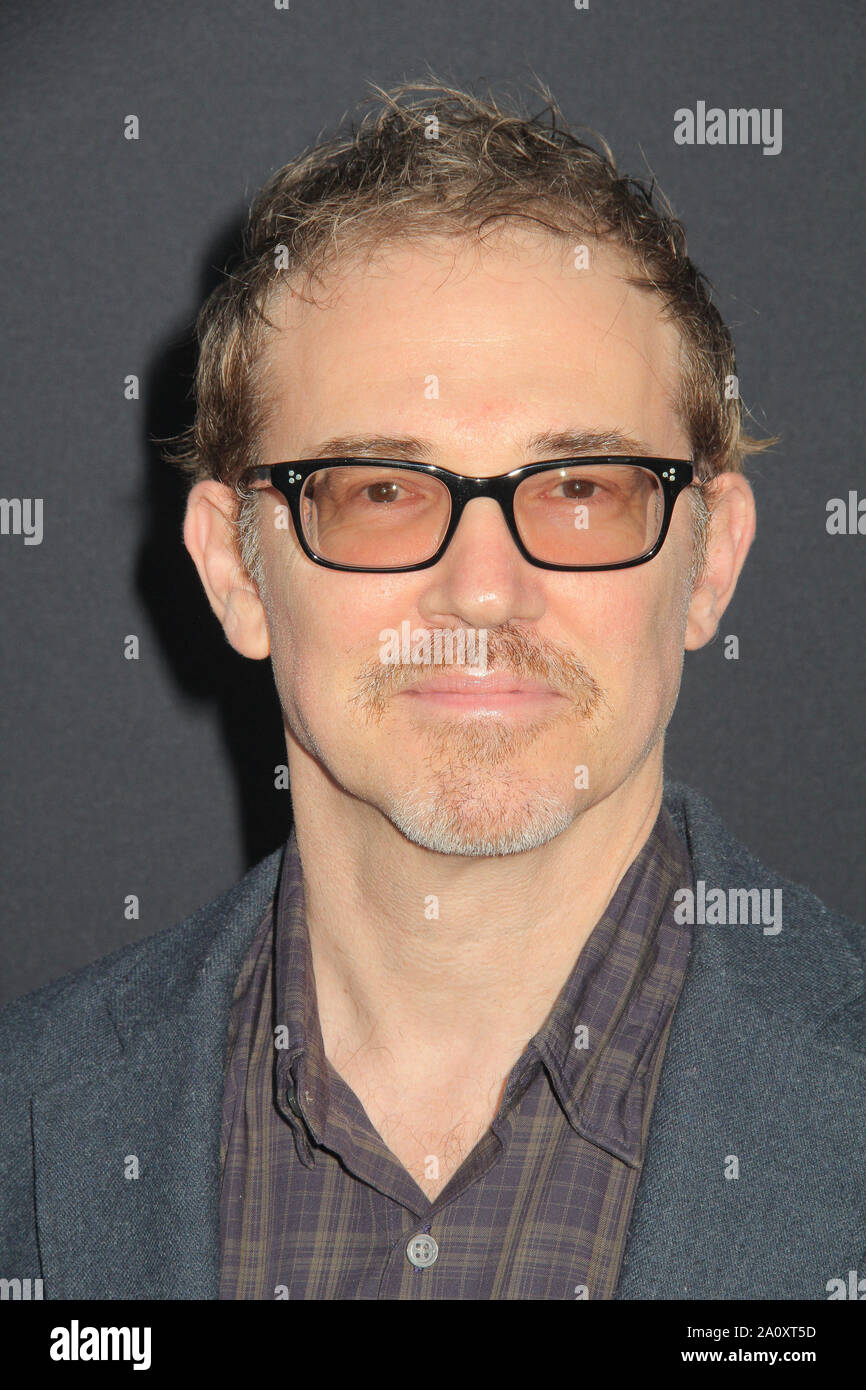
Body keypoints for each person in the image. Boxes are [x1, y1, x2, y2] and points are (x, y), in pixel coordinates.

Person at [1, 81, 863, 1302]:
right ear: (233, 570)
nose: (483, 590)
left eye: (579, 488)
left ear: (707, 560)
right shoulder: (23, 1116)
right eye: (378, 491)